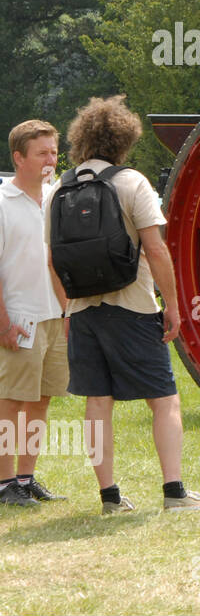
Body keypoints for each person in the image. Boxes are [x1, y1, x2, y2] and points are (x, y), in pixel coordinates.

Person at [47, 96, 200, 514]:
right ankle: (175, 492)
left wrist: (65, 310)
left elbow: (53, 260)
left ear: (79, 139)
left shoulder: (59, 188)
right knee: (164, 400)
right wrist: (174, 305)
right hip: (132, 305)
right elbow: (157, 251)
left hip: (82, 310)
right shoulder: (131, 182)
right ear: (124, 138)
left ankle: (110, 498)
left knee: (96, 404)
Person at [0, 120, 69, 507]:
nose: (50, 160)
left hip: (53, 317)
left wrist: (67, 312)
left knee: (41, 400)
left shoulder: (56, 197)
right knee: (9, 402)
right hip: (19, 319)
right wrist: (3, 323)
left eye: (54, 152)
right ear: (18, 157)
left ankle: (25, 480)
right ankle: (4, 483)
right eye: (42, 152)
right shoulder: (1, 203)